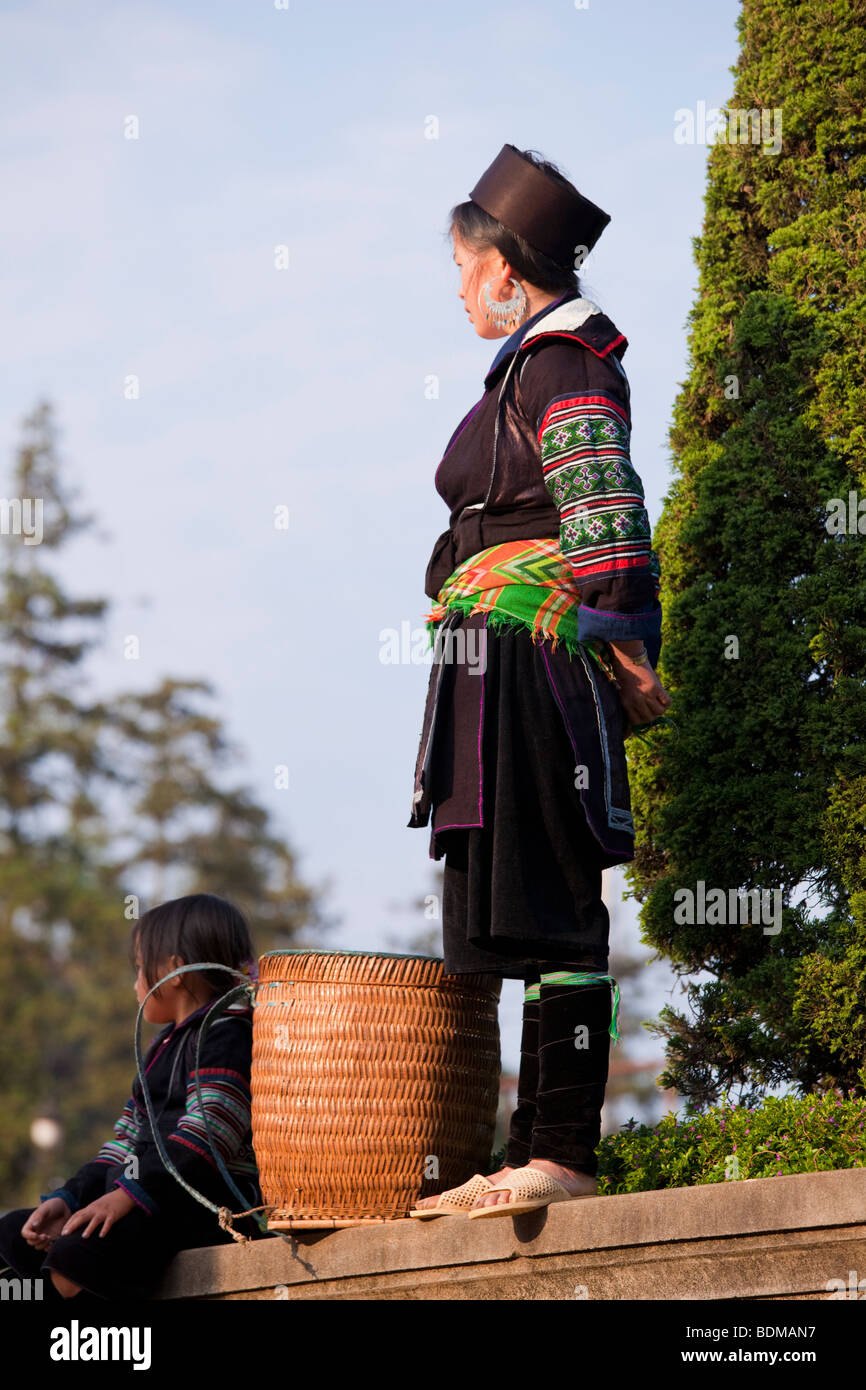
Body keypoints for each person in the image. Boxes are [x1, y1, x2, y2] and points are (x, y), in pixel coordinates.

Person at [409, 145, 671, 1217]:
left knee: (558, 910)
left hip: (533, 661)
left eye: (465, 270)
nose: (459, 291)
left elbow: (604, 517)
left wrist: (621, 649)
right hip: (483, 668)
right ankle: (524, 1146)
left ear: (507, 273)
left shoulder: (564, 364)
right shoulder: (521, 369)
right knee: (504, 910)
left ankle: (560, 1148)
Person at [0, 893, 263, 1301]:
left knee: (79, 1253)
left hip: (201, 1207)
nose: (135, 981)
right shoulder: (161, 1048)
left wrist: (129, 1195)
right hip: (139, 1198)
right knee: (14, 1233)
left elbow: (211, 1130)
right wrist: (70, 1198)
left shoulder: (226, 1033)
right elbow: (124, 1141)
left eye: (141, 967)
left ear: (174, 971)